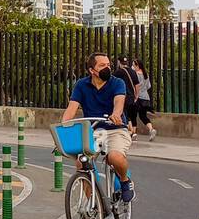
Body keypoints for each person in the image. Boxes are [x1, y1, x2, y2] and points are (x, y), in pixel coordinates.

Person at [61, 51, 135, 203]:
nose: (107, 68)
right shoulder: (81, 85)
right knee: (82, 162)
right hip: (93, 130)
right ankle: (92, 204)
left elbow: (119, 102)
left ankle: (125, 180)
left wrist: (116, 114)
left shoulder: (117, 83)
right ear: (91, 70)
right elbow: (71, 109)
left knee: (115, 157)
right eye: (102, 65)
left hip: (116, 129)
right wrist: (62, 128)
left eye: (108, 65)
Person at [131, 57, 156, 140]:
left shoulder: (135, 74)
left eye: (133, 65)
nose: (132, 66)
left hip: (137, 97)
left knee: (133, 115)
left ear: (137, 66)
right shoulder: (146, 74)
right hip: (146, 98)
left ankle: (134, 134)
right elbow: (149, 86)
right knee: (143, 116)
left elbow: (134, 86)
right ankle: (151, 129)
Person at [116, 55, 140, 140]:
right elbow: (137, 85)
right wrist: (136, 96)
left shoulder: (118, 72)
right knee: (131, 115)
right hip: (132, 97)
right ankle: (133, 132)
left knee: (124, 115)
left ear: (119, 62)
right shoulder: (133, 72)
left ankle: (129, 132)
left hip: (123, 97)